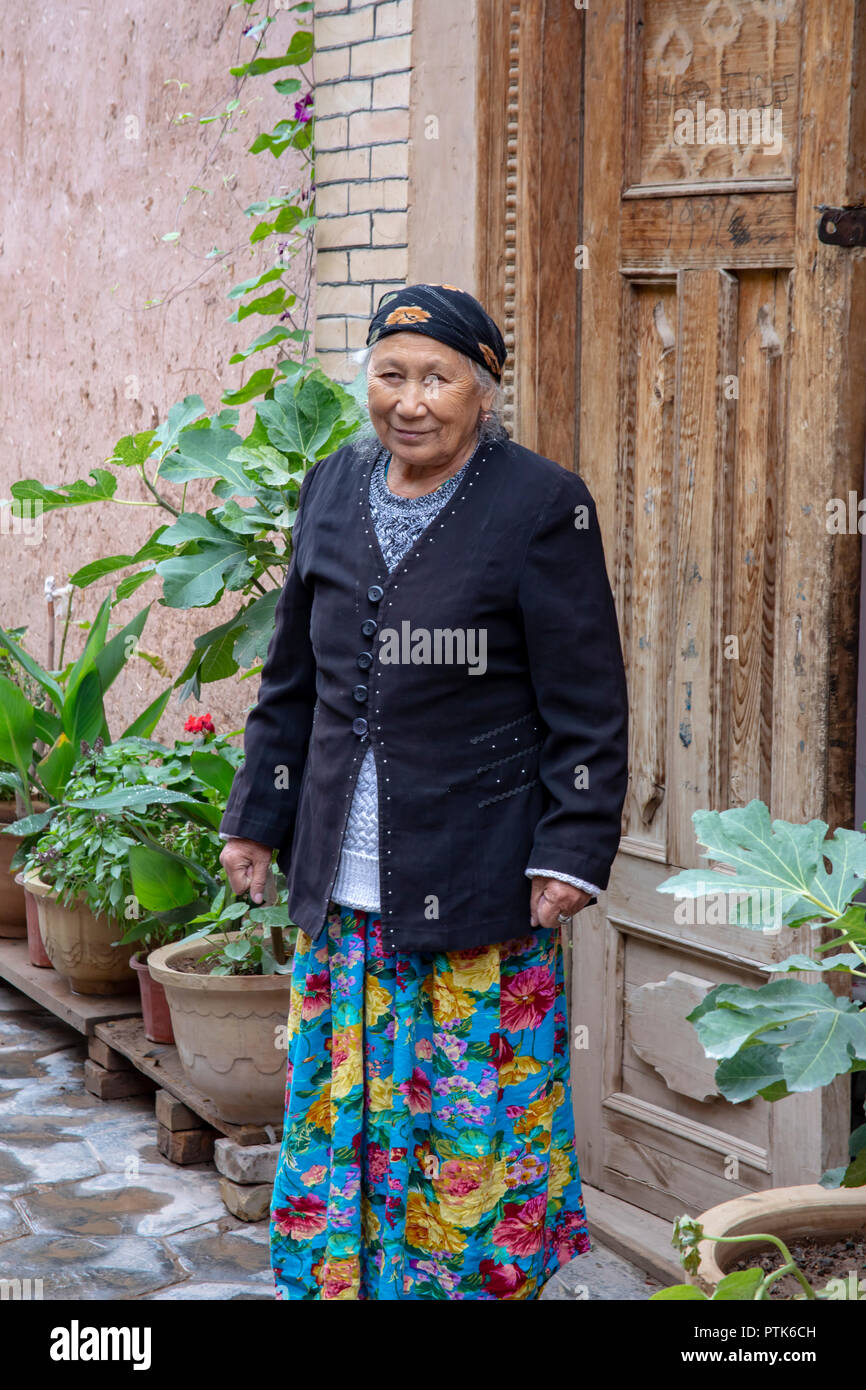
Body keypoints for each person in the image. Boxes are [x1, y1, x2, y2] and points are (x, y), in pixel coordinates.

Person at [220, 282, 629, 1300]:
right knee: (344, 1111)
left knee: (464, 1119)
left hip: (477, 874)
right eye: (388, 375)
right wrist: (255, 821)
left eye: (435, 378)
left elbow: (587, 699)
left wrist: (570, 847)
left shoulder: (540, 504)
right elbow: (291, 683)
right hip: (339, 881)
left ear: (481, 392)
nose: (408, 401)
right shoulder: (329, 486)